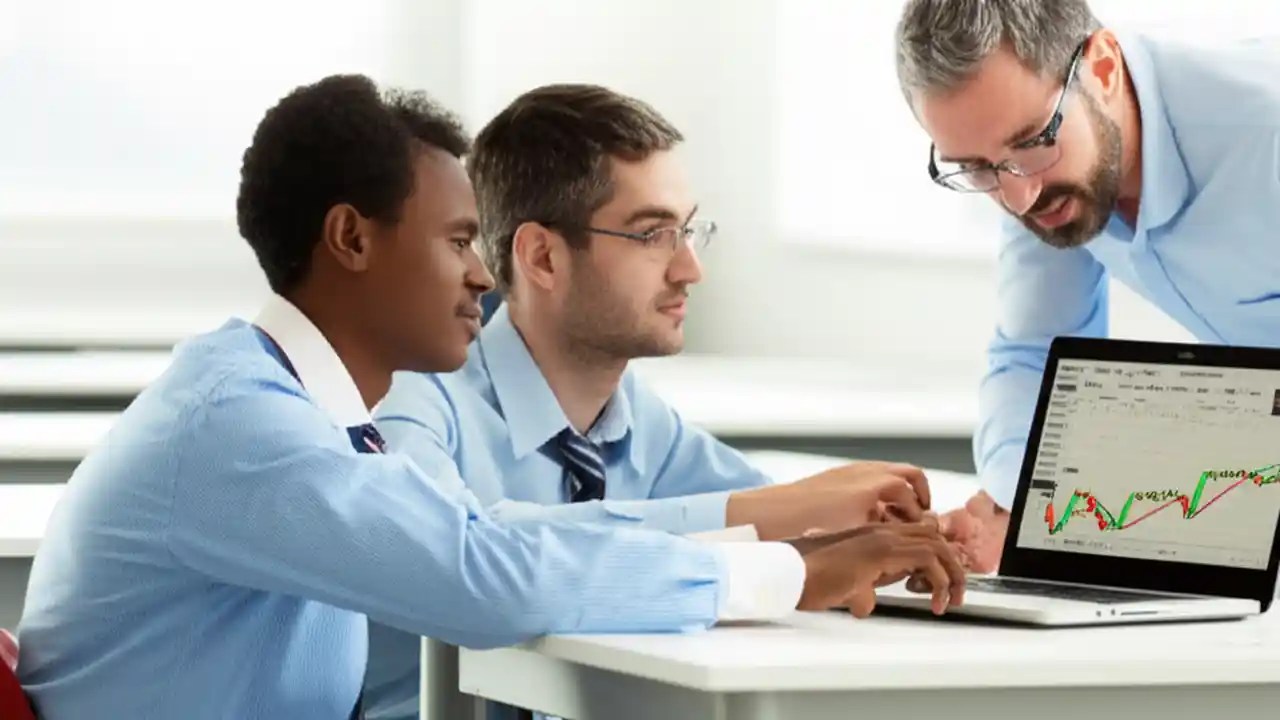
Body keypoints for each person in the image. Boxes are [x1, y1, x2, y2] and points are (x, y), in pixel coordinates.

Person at [16, 74, 964, 719]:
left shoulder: (308, 411)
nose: (484, 275)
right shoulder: (244, 425)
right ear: (351, 239)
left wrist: (796, 541)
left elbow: (493, 540)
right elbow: (481, 573)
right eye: (457, 241)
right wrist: (790, 568)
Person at [365, 83, 952, 719]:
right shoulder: (413, 394)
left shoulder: (638, 421)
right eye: (653, 235)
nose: (690, 268)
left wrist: (929, 534)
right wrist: (781, 511)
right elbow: (470, 547)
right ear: (542, 256)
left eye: (690, 229)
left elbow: (798, 531)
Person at [894, 0, 1280, 572]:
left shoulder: (1264, 131)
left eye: (1030, 144)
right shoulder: (1031, 174)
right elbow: (1031, 356)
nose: (1017, 199)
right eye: (977, 168)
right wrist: (1020, 502)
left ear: (1102, 69)